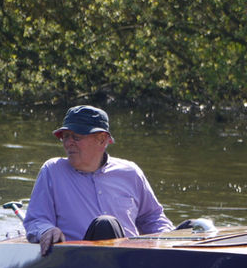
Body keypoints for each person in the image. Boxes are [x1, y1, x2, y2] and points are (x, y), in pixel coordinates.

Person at [22, 105, 174, 256]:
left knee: (195, 225)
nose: (68, 143)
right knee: (105, 225)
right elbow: (36, 219)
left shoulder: (131, 172)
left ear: (102, 140)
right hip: (78, 264)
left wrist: (169, 239)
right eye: (66, 136)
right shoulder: (52, 171)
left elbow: (153, 218)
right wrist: (46, 230)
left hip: (132, 262)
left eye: (76, 137)